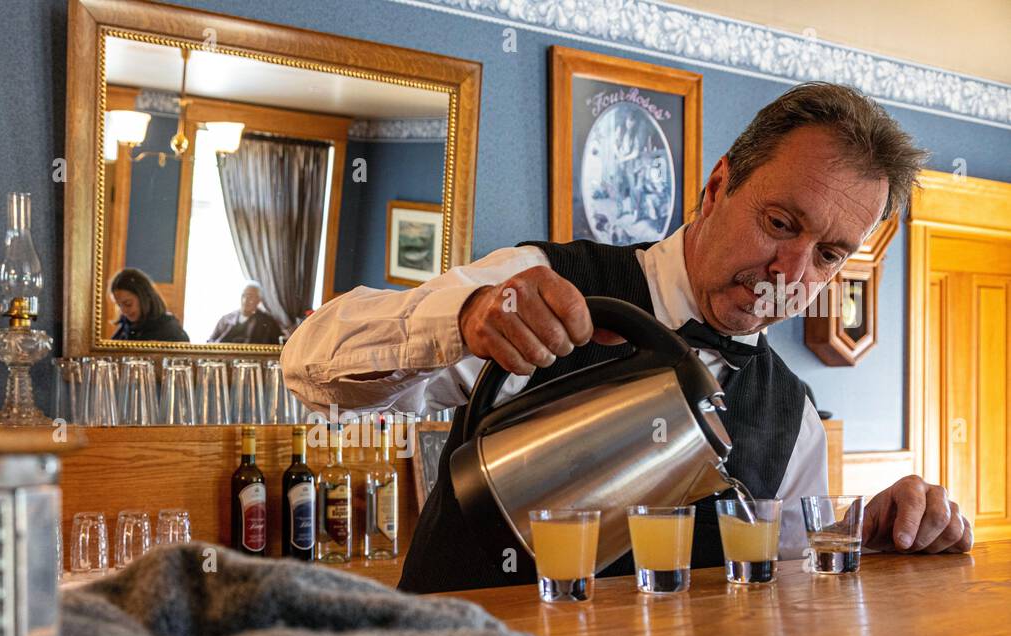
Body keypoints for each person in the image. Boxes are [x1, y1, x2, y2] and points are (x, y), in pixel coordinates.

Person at [282, 82, 973, 594]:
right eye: (781, 223)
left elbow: (784, 592)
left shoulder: (794, 417)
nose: (788, 273)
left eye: (828, 256)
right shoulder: (552, 281)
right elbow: (307, 362)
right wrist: (466, 318)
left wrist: (872, 541)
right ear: (717, 187)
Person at [110, 268, 188, 342]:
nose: (123, 311)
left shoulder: (171, 331)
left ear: (144, 297)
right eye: (119, 305)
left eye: (128, 304)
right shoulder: (124, 329)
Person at [210, 282, 286, 345]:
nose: (245, 300)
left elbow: (275, 348)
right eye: (243, 296)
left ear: (259, 300)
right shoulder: (226, 319)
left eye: (250, 296)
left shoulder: (268, 322)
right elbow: (211, 342)